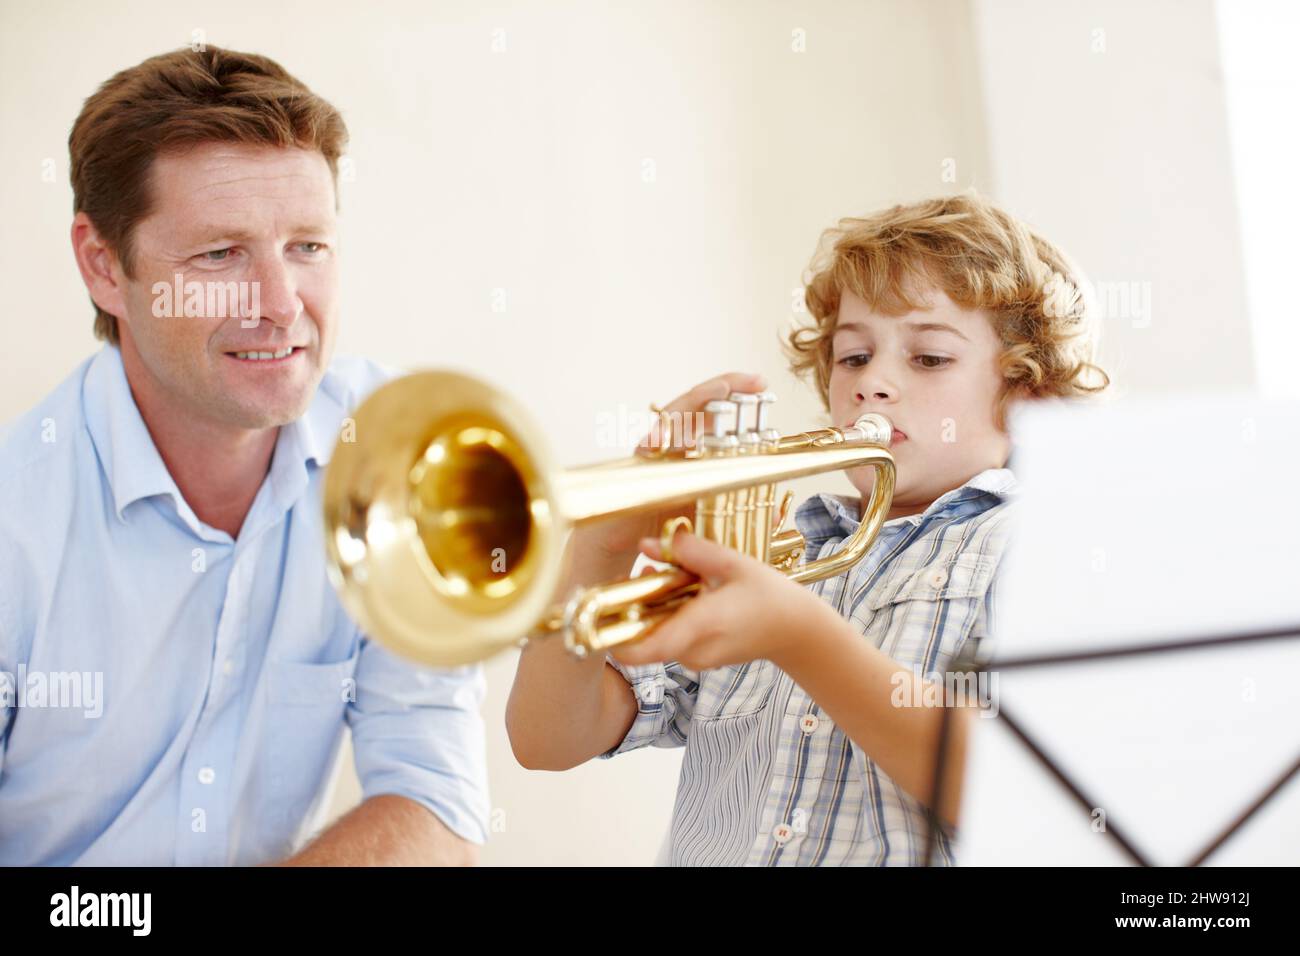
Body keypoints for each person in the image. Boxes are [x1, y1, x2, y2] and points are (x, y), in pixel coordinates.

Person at [506, 193, 1110, 865]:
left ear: (1030, 390)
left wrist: (800, 637)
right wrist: (600, 548)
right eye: (853, 357)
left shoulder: (1041, 548)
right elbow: (546, 741)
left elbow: (1019, 797)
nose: (873, 382)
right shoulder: (778, 551)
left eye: (929, 358)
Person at [0, 46, 488, 866]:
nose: (281, 304)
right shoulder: (18, 519)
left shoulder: (395, 449)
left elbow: (434, 803)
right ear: (103, 267)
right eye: (221, 255)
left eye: (308, 246)